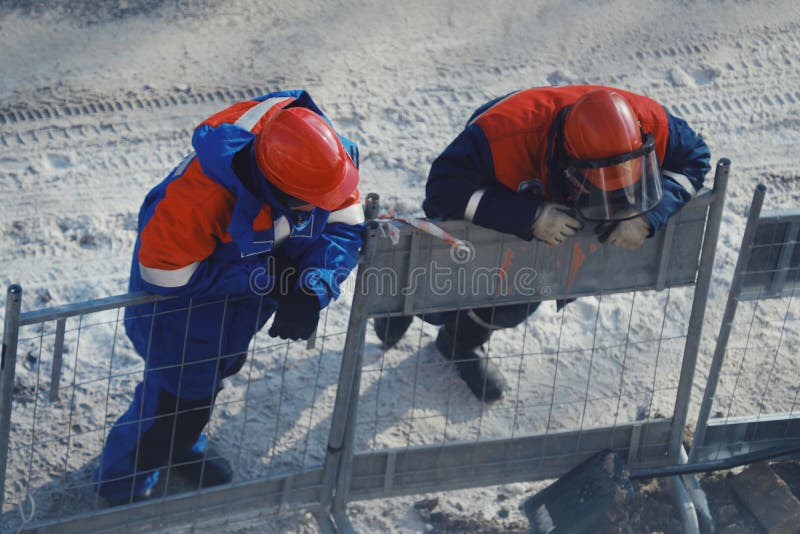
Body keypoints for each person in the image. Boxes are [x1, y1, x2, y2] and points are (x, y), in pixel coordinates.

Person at [95, 90, 365, 505]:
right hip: (182, 320)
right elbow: (165, 277)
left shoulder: (324, 167)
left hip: (241, 312)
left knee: (212, 383)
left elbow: (343, 226)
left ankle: (183, 449)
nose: (318, 210)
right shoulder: (197, 197)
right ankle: (120, 486)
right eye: (308, 205)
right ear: (275, 187)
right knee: (168, 406)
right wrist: (264, 277)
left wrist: (312, 287)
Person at [374, 85, 711, 403]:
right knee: (449, 283)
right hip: (503, 192)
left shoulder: (651, 122)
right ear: (569, 159)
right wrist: (528, 215)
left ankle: (459, 343)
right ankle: (405, 300)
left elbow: (695, 157)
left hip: (554, 213)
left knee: (517, 298)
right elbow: (444, 190)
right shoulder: (502, 136)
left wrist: (647, 217)